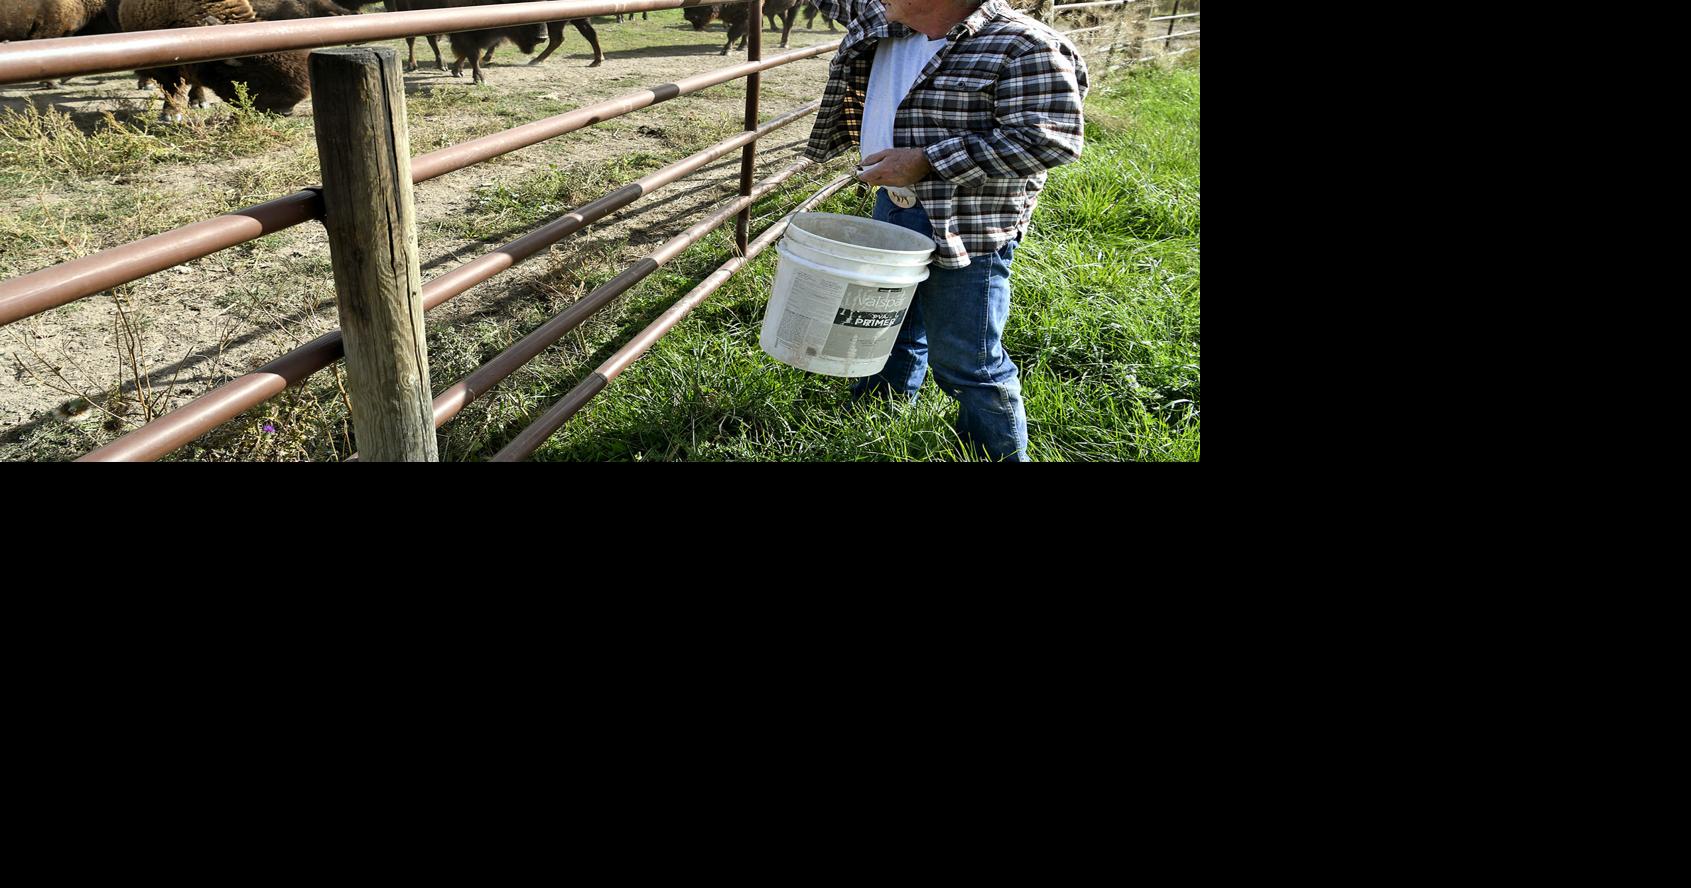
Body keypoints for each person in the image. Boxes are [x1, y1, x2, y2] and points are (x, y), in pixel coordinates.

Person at [802, 0, 1089, 462]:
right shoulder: (892, 18)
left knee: (966, 358)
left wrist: (926, 161)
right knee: (890, 323)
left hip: (967, 225)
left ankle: (995, 454)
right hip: (894, 201)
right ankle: (879, 419)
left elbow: (1049, 140)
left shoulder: (1022, 45)